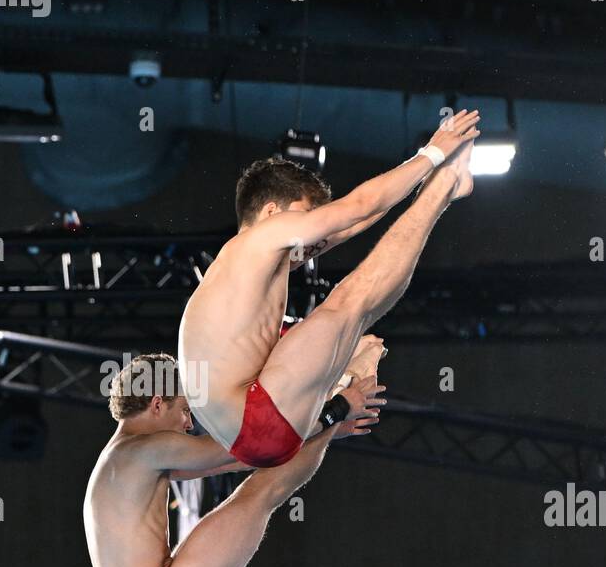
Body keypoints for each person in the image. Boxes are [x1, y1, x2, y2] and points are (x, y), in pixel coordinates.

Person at [177, 111, 479, 468]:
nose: (309, 228)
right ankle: (443, 188)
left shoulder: (255, 266)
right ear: (272, 211)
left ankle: (442, 187)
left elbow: (356, 222)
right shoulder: (256, 241)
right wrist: (431, 154)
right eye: (303, 216)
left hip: (254, 431)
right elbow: (357, 207)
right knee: (349, 300)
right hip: (256, 420)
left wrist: (424, 173)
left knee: (355, 320)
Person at [83, 339, 385, 567]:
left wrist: (325, 425)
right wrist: (335, 410)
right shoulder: (143, 450)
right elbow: (252, 446)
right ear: (157, 404)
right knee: (263, 492)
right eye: (186, 410)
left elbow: (248, 459)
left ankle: (341, 393)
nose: (189, 424)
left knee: (264, 482)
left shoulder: (123, 460)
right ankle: (346, 384)